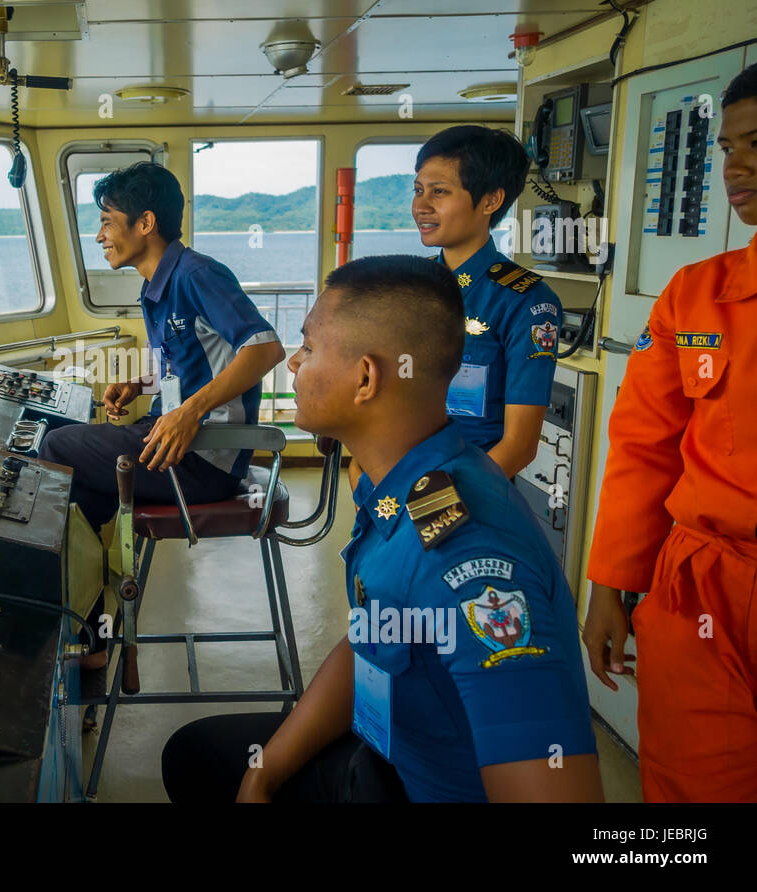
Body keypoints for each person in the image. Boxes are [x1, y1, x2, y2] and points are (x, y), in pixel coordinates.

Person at [162, 255, 602, 803]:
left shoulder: (468, 562)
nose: (295, 364)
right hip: (382, 752)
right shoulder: (400, 484)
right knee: (197, 755)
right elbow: (376, 633)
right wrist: (265, 773)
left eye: (310, 348)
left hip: (415, 788)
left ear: (366, 378)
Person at [583, 64, 757, 802]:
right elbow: (644, 445)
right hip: (703, 589)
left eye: (755, 143)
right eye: (725, 148)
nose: (734, 165)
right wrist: (609, 586)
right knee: (694, 787)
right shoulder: (697, 297)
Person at [38, 161, 285, 664]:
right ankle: (90, 640)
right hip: (178, 445)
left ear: (144, 223)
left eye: (108, 221)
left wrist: (190, 413)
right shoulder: (158, 284)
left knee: (55, 443)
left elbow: (264, 349)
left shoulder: (197, 275)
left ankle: (81, 635)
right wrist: (138, 382)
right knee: (81, 490)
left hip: (206, 462)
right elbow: (185, 357)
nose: (100, 235)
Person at [348, 126, 560, 489]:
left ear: (491, 201)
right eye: (418, 191)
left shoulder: (526, 301)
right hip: (387, 479)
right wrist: (362, 471)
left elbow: (519, 445)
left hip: (469, 491)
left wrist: (440, 503)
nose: (421, 206)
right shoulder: (409, 286)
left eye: (440, 192)